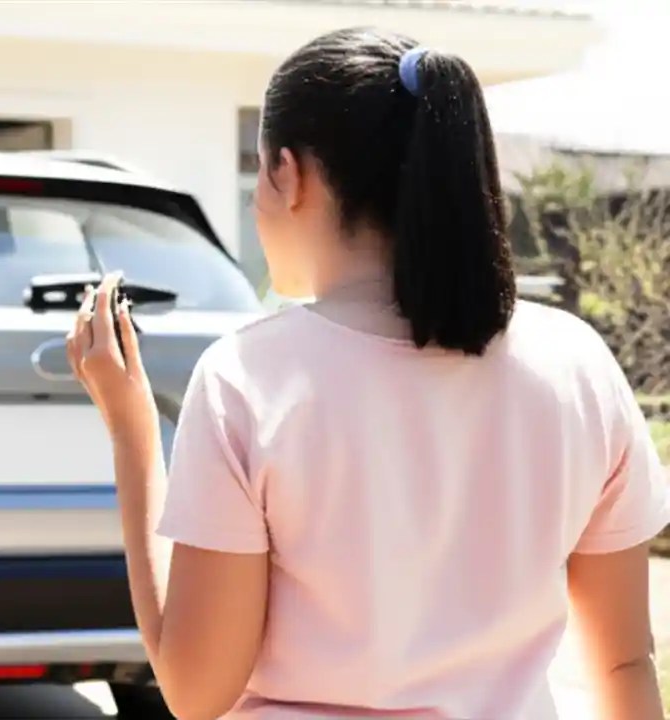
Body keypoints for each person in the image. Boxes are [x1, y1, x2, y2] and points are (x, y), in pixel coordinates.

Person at [66, 27, 670, 720]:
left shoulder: (249, 377)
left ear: (287, 174)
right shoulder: (577, 363)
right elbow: (625, 665)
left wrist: (133, 433)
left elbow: (196, 691)